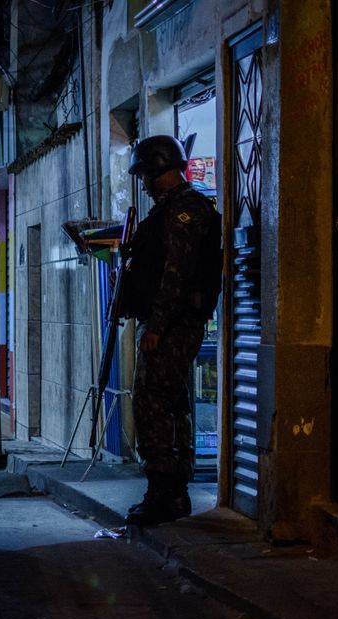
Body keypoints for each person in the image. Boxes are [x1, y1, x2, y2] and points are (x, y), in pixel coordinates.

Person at [119, 134, 222, 526]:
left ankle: (164, 492)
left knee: (152, 401)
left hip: (174, 326)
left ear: (160, 170)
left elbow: (175, 275)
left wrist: (157, 326)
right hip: (169, 323)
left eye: (145, 174)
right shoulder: (170, 210)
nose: (143, 182)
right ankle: (172, 492)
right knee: (171, 403)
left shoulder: (185, 210)